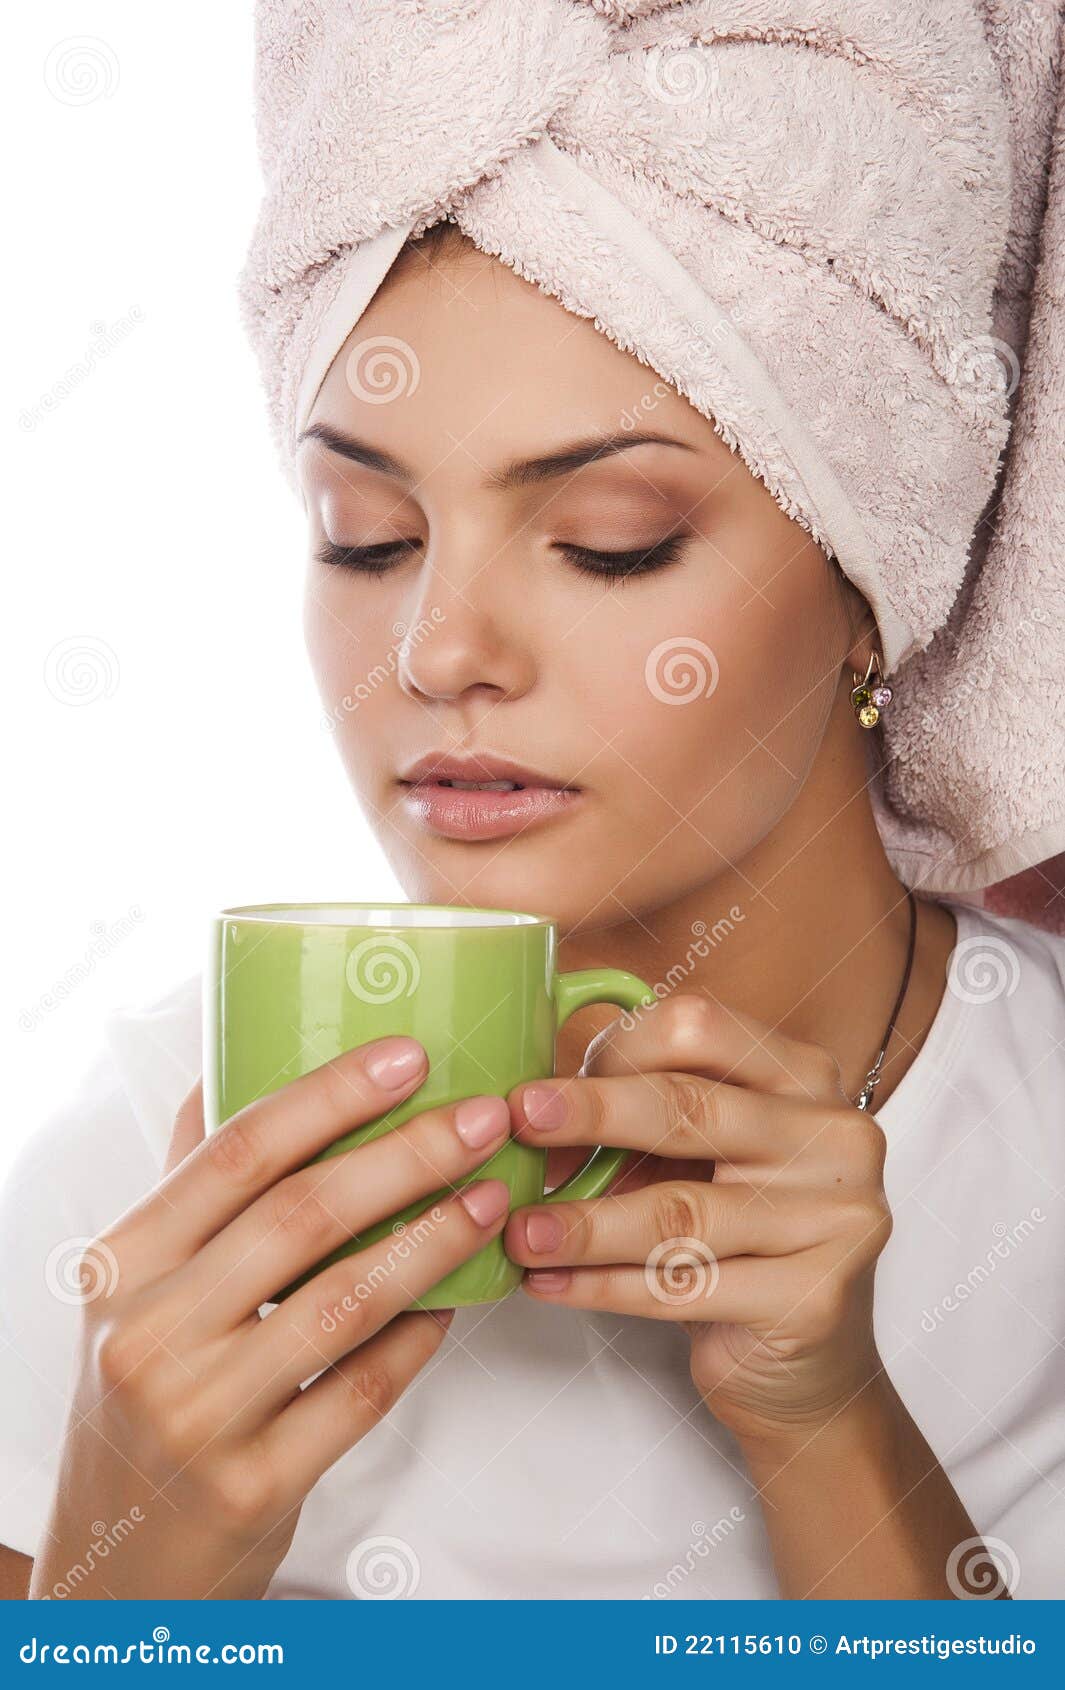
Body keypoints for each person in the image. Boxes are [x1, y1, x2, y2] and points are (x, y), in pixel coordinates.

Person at [2, 2, 1063, 1601]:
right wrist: (128, 1566)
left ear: (873, 590)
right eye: (363, 533)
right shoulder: (147, 1187)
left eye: (610, 538)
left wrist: (825, 1420)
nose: (438, 651)